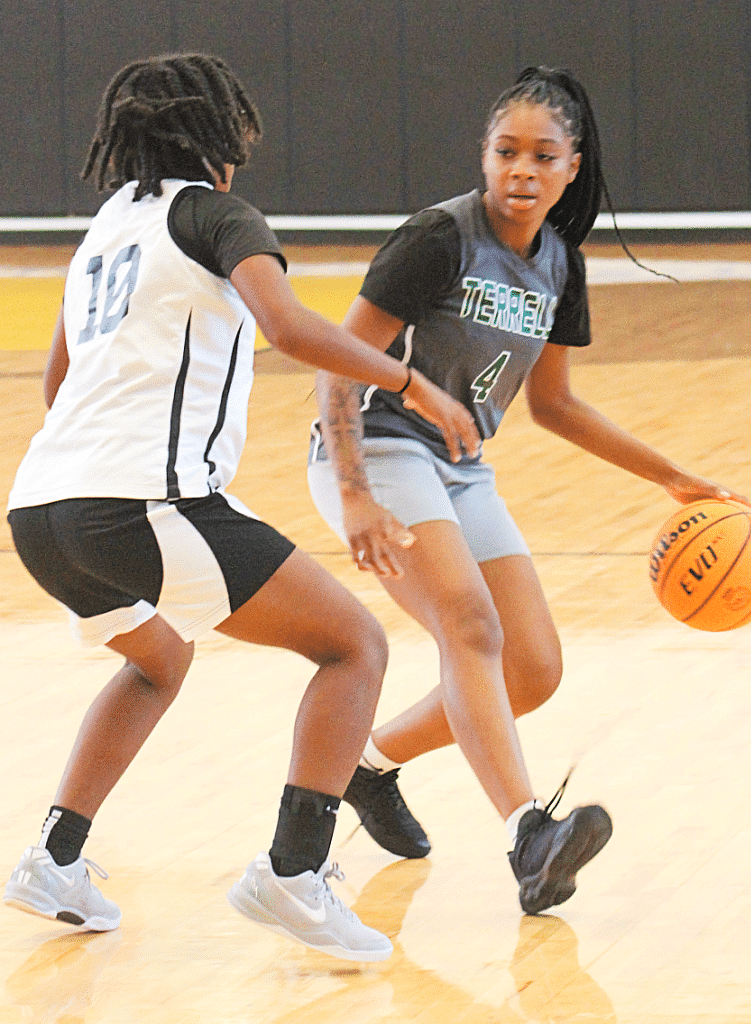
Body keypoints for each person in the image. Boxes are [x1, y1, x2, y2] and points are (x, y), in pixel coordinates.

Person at [2, 53, 480, 962]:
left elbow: (60, 379)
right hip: (142, 499)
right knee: (353, 646)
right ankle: (292, 876)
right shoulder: (220, 214)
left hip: (38, 509)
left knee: (158, 662)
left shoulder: (105, 228)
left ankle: (53, 860)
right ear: (220, 140)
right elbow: (292, 327)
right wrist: (412, 382)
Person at [307, 65, 751, 915]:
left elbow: (553, 405)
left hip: (460, 466)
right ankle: (528, 834)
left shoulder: (559, 265)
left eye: (541, 156)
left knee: (534, 668)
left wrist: (672, 477)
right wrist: (354, 491)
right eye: (505, 151)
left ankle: (366, 767)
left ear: (570, 168)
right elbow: (338, 355)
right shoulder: (436, 237)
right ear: (482, 156)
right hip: (376, 449)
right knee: (469, 625)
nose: (521, 170)